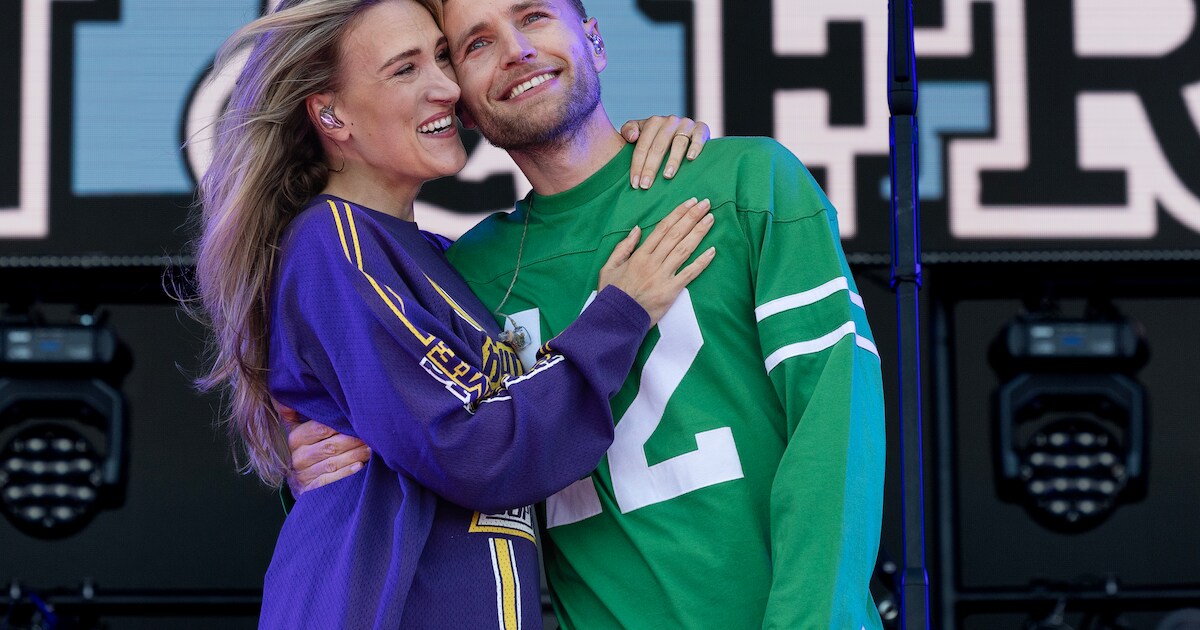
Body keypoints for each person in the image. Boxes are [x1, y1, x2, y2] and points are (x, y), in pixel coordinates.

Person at [291, 0, 888, 627]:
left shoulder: (746, 182)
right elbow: (436, 452)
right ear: (461, 101)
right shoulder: (463, 282)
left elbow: (834, 426)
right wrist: (321, 459)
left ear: (595, 41)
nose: (516, 49)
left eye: (535, 17)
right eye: (475, 45)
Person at [189, 0, 719, 627]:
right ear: (331, 113)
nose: (446, 89)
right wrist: (621, 313)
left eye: (442, 57)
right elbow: (473, 448)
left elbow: (470, 425)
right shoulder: (333, 243)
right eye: (404, 70)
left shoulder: (443, 263)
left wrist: (657, 149)